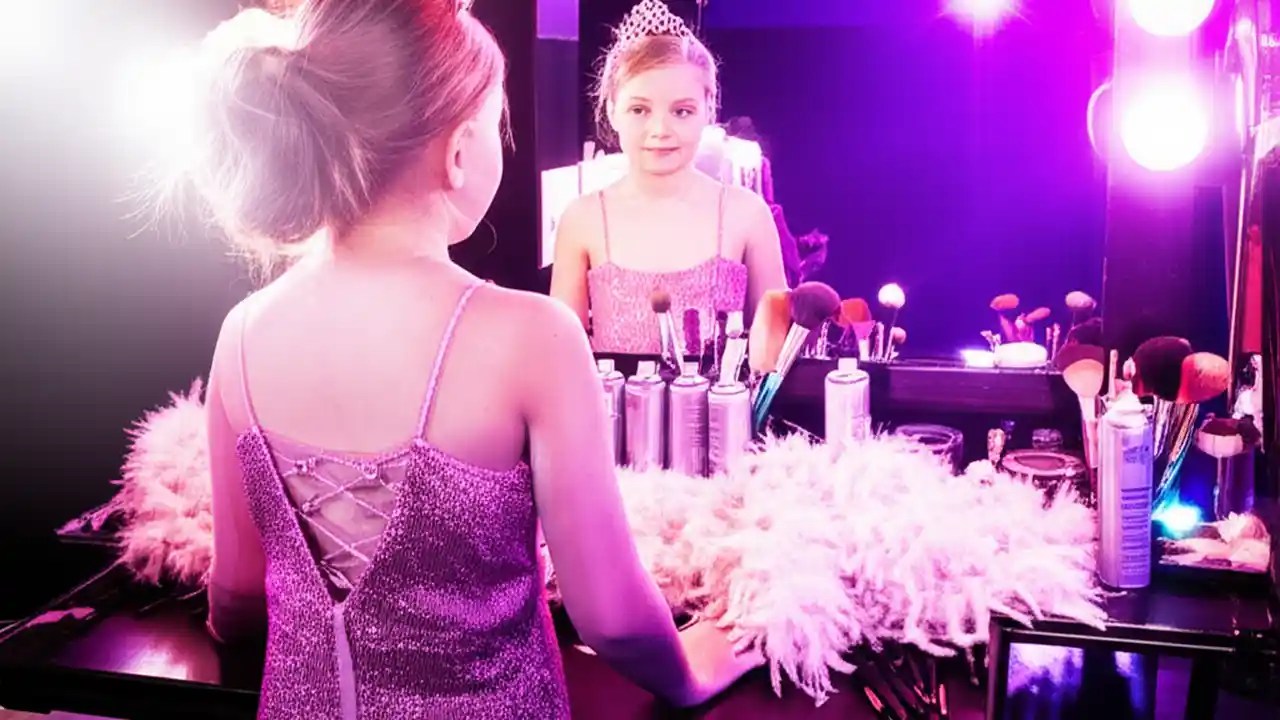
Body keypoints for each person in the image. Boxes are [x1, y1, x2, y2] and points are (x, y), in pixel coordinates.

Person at [188, 1, 762, 717]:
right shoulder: (530, 337)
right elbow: (609, 618)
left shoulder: (241, 333)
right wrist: (691, 670)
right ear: (459, 151)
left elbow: (238, 594)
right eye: (498, 122)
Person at [550, 0, 787, 355]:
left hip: (726, 411)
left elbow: (776, 357)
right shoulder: (582, 219)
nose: (660, 130)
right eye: (639, 110)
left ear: (709, 109)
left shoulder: (747, 215)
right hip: (610, 411)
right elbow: (560, 356)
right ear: (612, 110)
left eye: (681, 111)